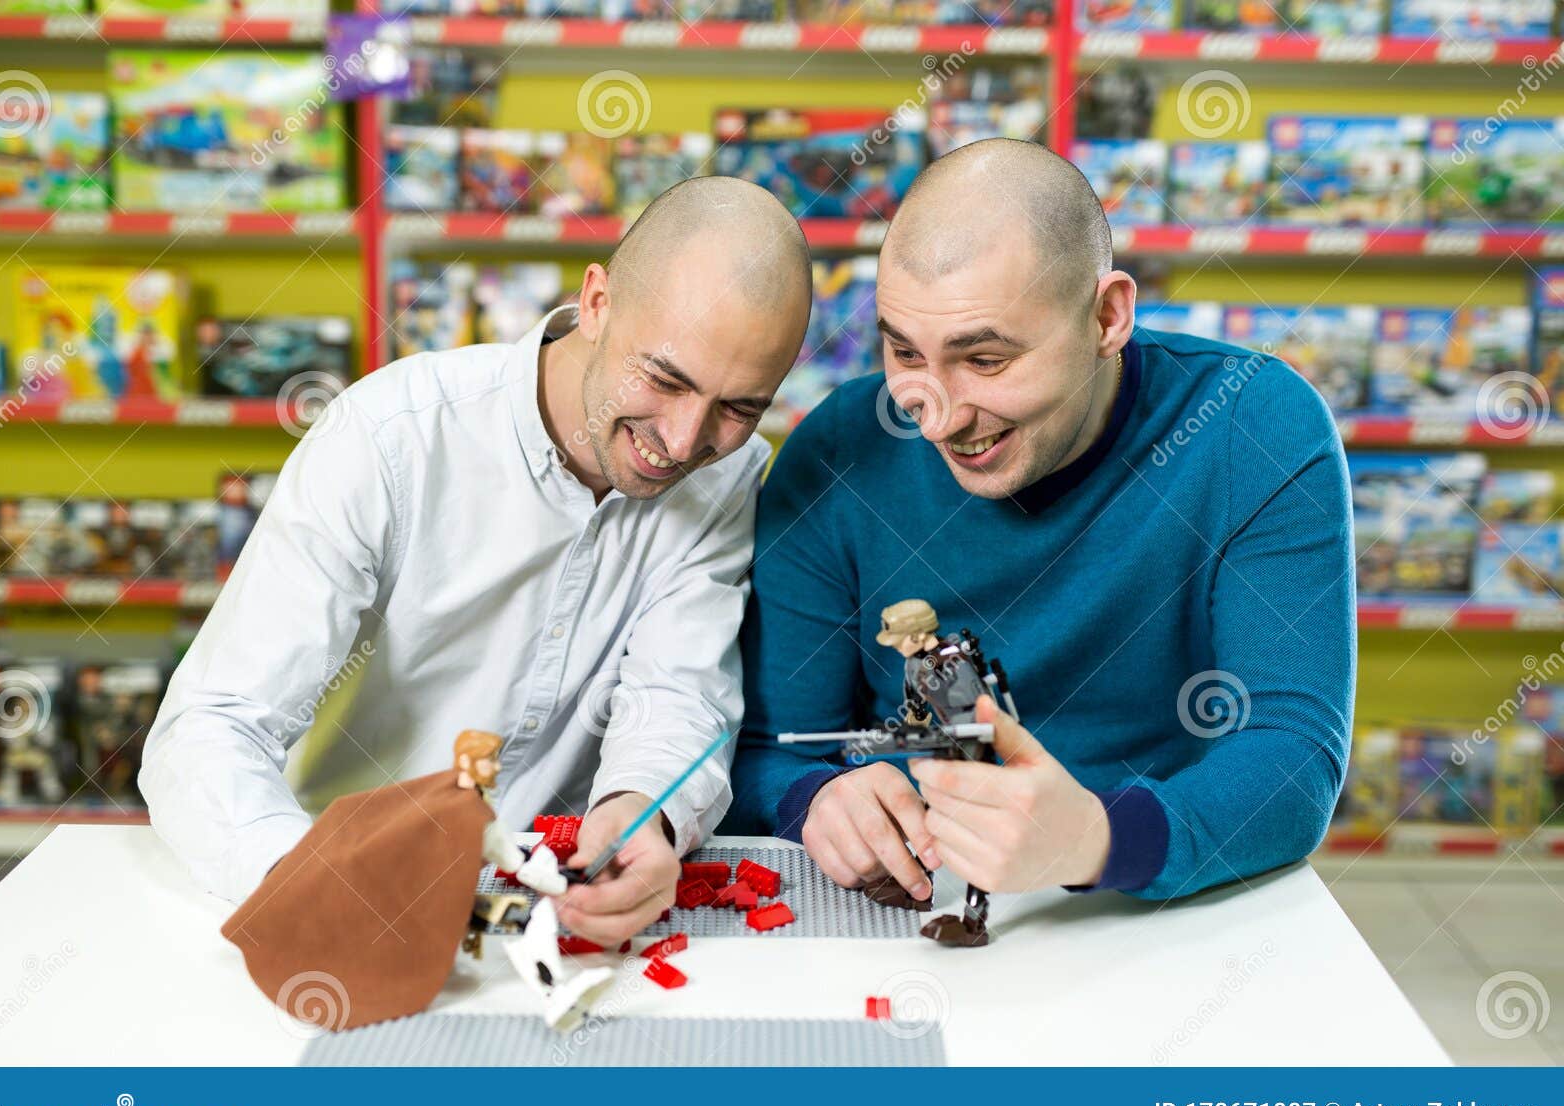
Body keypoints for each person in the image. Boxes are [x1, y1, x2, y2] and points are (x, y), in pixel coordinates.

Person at [142, 176, 813, 946]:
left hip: (537, 912)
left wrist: (643, 811)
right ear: (597, 302)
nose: (684, 440)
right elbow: (210, 725)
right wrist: (306, 879)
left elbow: (678, 691)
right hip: (330, 886)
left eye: (739, 407)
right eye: (665, 378)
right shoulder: (390, 439)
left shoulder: (726, 478)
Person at [727, 138, 1354, 908]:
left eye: (985, 360)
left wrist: (1093, 838)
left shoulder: (1252, 426)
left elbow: (1293, 756)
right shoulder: (836, 452)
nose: (937, 414)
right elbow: (766, 749)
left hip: (1158, 909)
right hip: (917, 913)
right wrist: (815, 800)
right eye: (903, 351)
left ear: (1107, 316)